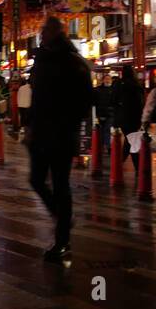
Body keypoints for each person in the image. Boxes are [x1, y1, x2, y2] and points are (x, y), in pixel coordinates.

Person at [25, 16, 92, 263]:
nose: (41, 34)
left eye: (45, 30)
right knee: (36, 179)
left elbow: (86, 100)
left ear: (56, 32)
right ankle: (62, 216)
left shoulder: (74, 62)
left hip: (62, 133)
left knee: (61, 184)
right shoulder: (41, 60)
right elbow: (36, 98)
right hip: (42, 131)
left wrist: (68, 122)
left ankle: (62, 240)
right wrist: (31, 125)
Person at [114, 64, 147, 170]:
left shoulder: (118, 84)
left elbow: (113, 100)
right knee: (131, 140)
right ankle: (135, 167)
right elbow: (141, 102)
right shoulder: (136, 85)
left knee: (130, 140)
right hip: (135, 117)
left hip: (123, 117)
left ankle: (122, 164)